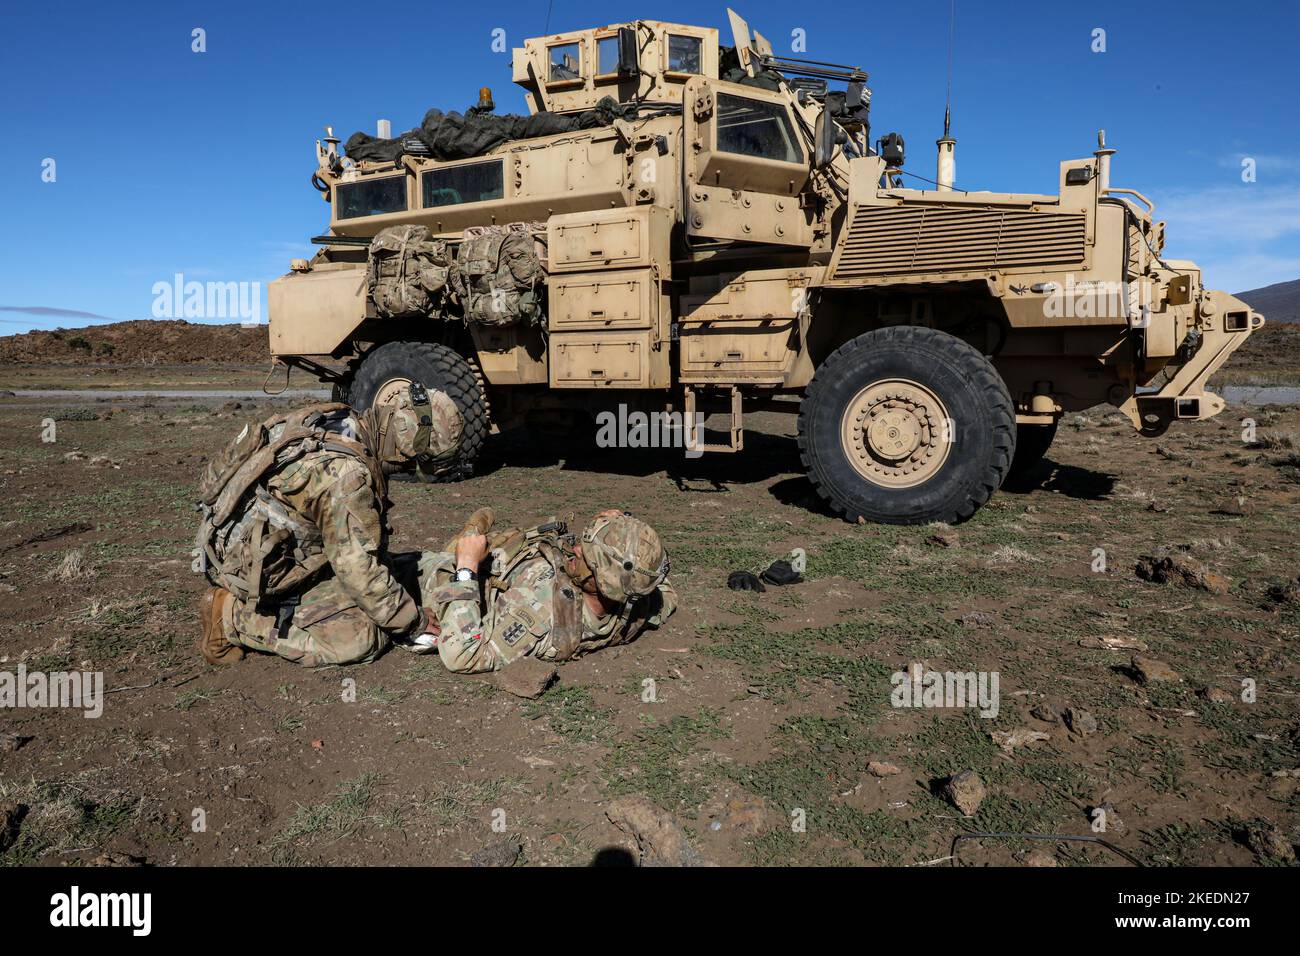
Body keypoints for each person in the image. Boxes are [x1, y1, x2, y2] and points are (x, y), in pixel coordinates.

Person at [195, 383, 462, 667]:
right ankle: (231, 617)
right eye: (417, 464)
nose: (408, 471)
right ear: (408, 449)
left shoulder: (342, 421)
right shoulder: (346, 477)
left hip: (267, 546)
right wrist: (413, 623)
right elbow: (356, 569)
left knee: (392, 579)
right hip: (260, 572)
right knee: (360, 637)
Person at [407, 508, 676, 672]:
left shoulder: (545, 613)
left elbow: (462, 657)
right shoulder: (637, 601)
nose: (577, 549)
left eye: (588, 556)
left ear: (603, 583)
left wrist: (466, 564)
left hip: (434, 583)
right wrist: (618, 529)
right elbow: (655, 578)